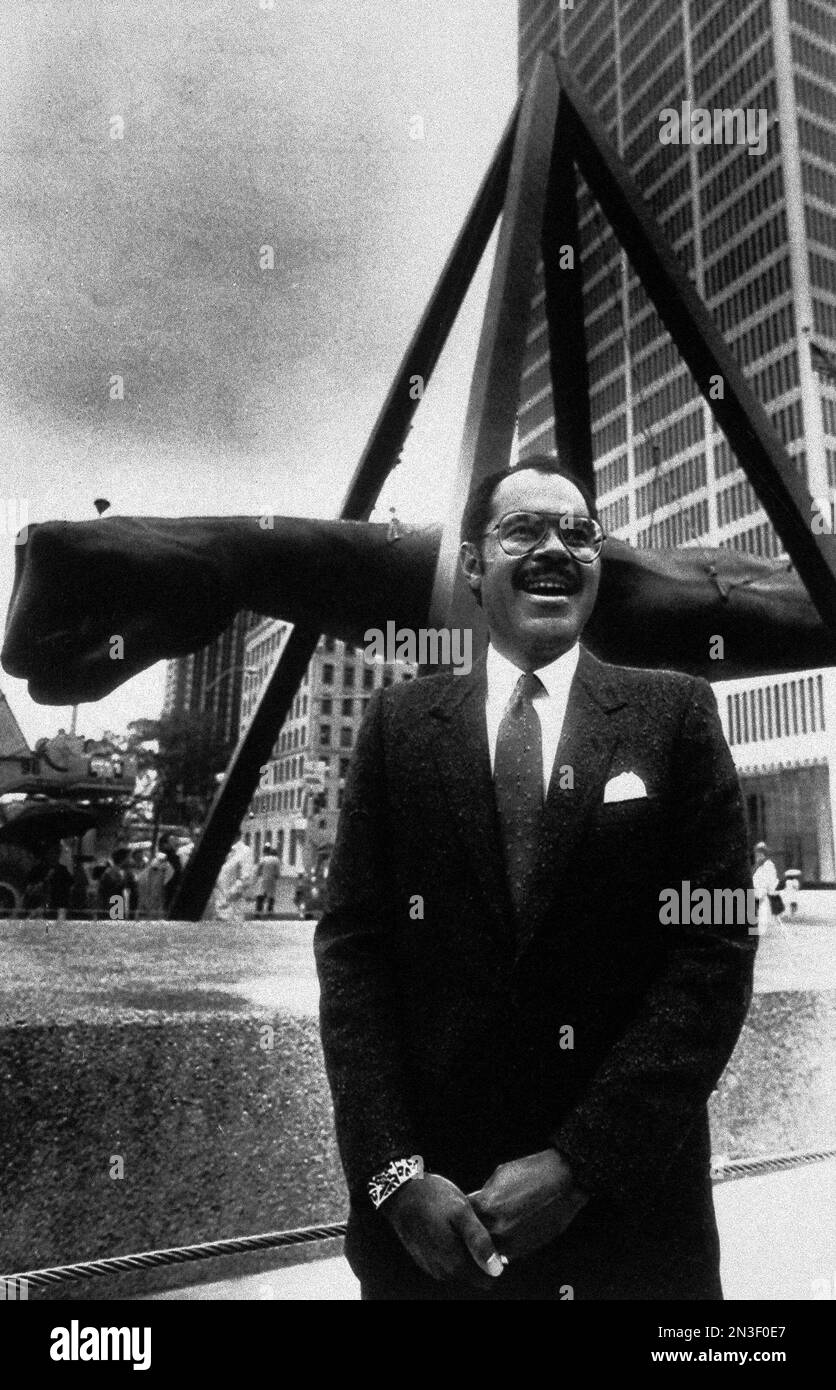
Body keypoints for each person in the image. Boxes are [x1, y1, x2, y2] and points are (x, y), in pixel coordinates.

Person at [315, 456, 757, 1301]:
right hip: (432, 1236)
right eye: (523, 529)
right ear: (475, 567)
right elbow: (354, 958)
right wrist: (393, 1177)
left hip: (629, 1235)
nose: (555, 548)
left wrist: (580, 1164)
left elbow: (714, 953)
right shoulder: (399, 727)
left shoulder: (677, 713)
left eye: (579, 532)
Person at [752, 841, 781, 935]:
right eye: (757, 854)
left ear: (764, 854)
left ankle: (761, 933)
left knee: (763, 914)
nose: (758, 856)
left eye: (760, 854)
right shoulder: (756, 866)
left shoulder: (768, 865)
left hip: (762, 894)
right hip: (754, 894)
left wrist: (767, 890)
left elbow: (772, 880)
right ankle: (756, 933)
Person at [255, 846, 280, 915]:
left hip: (263, 878)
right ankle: (270, 911)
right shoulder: (276, 860)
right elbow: (277, 872)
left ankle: (258, 911)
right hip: (272, 879)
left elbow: (258, 869)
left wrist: (257, 875)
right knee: (271, 895)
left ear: (265, 851)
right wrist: (277, 877)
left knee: (260, 894)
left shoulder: (263, 859)